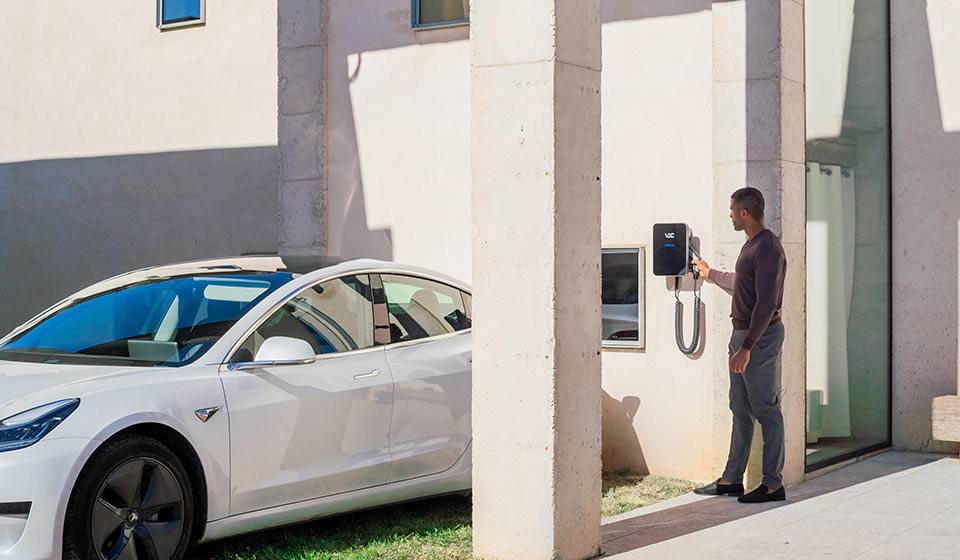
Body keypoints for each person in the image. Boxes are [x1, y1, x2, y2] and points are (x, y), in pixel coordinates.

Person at [691, 187, 788, 503]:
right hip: (744, 337)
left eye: (732, 210)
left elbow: (766, 303)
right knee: (740, 409)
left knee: (766, 410)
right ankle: (731, 480)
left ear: (744, 213)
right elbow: (742, 285)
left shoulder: (768, 249)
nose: (730, 215)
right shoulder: (752, 247)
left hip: (757, 339)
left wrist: (747, 346)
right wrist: (709, 274)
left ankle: (773, 484)